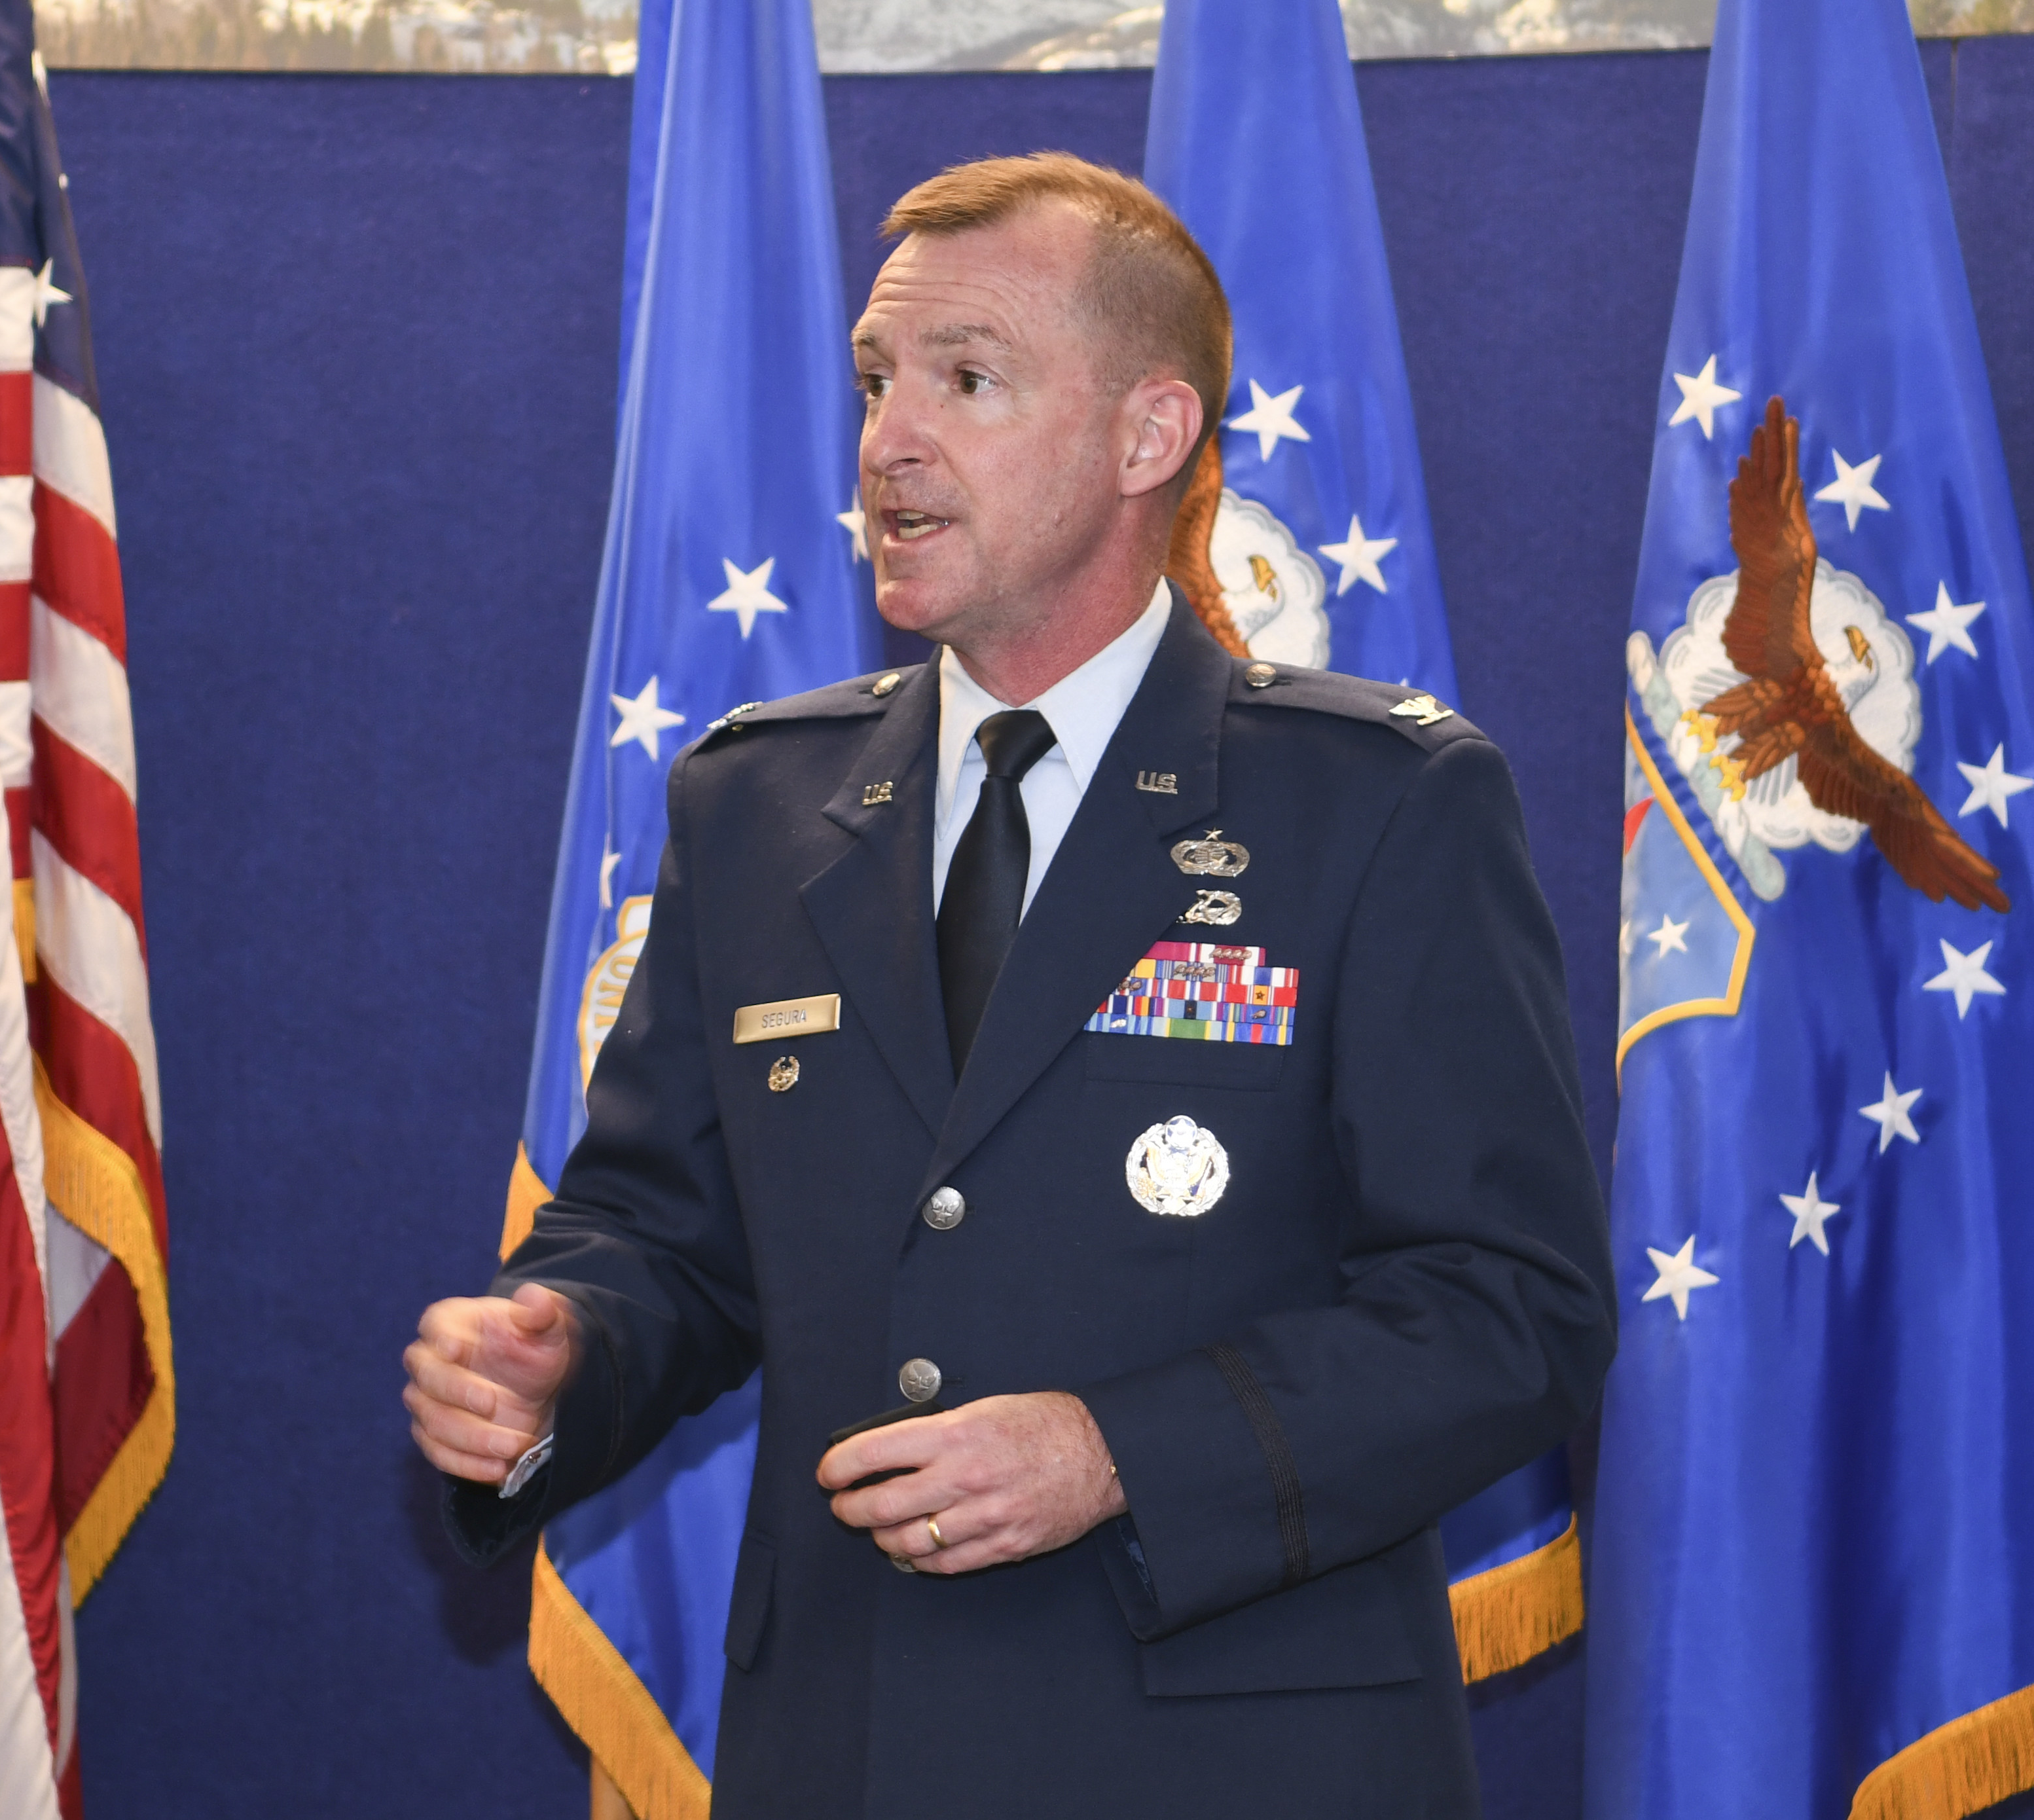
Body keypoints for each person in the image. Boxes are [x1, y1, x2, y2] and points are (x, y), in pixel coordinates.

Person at [403, 152, 1615, 1815]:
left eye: (966, 379)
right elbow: (666, 1238)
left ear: (1145, 437)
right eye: (875, 380)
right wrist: (567, 1355)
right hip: (849, 1744)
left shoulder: (1381, 806)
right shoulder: (759, 803)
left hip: (1239, 1757)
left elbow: (1508, 1311)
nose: (889, 439)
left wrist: (1120, 1453)